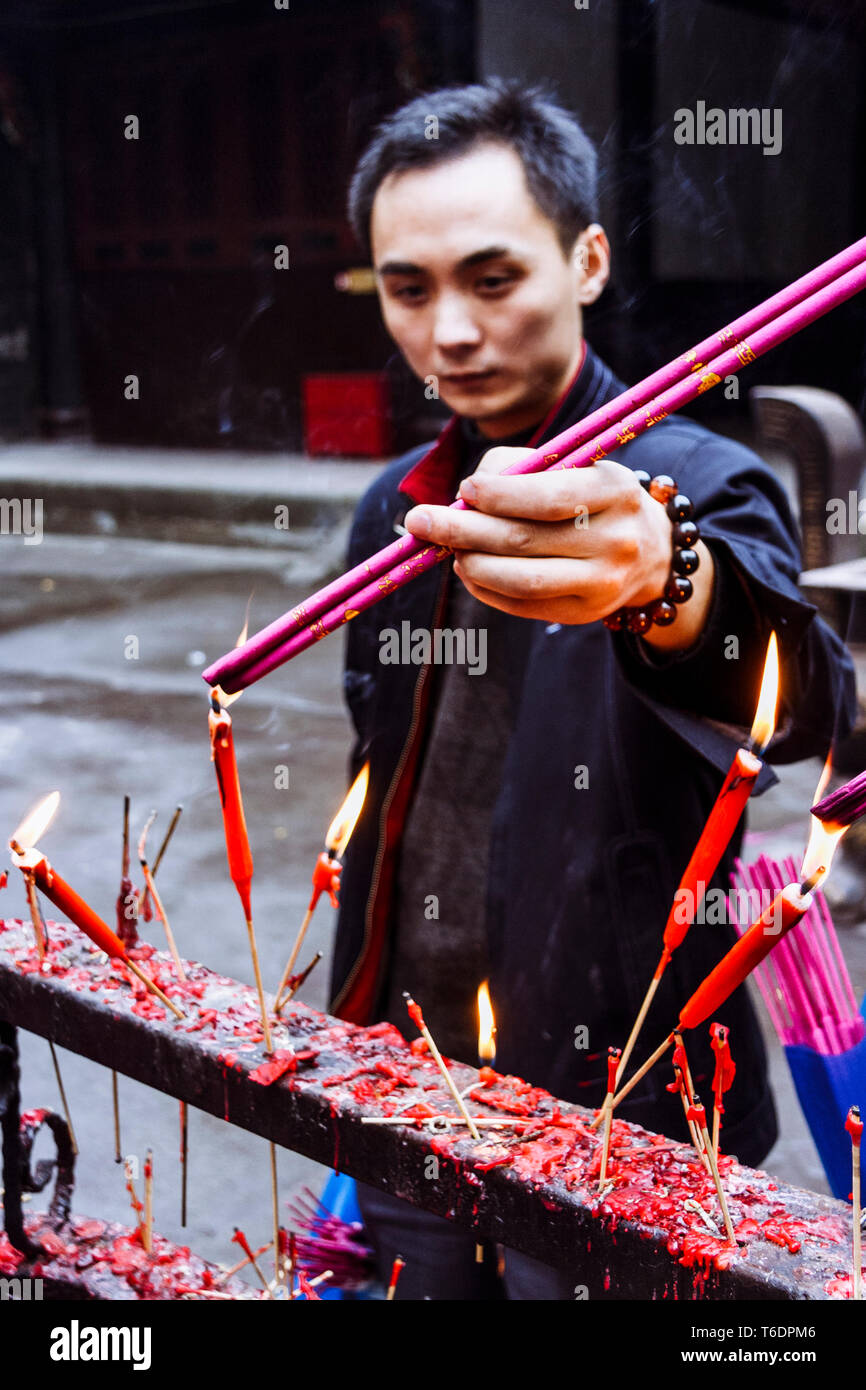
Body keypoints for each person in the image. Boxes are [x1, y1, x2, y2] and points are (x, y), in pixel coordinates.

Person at [326, 79, 856, 1299]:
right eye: (408, 289)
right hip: (407, 1065)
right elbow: (379, 760)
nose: (448, 330)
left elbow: (807, 706)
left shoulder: (685, 478)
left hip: (623, 1098)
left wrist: (666, 579)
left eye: (492, 276)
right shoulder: (391, 505)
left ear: (589, 259)